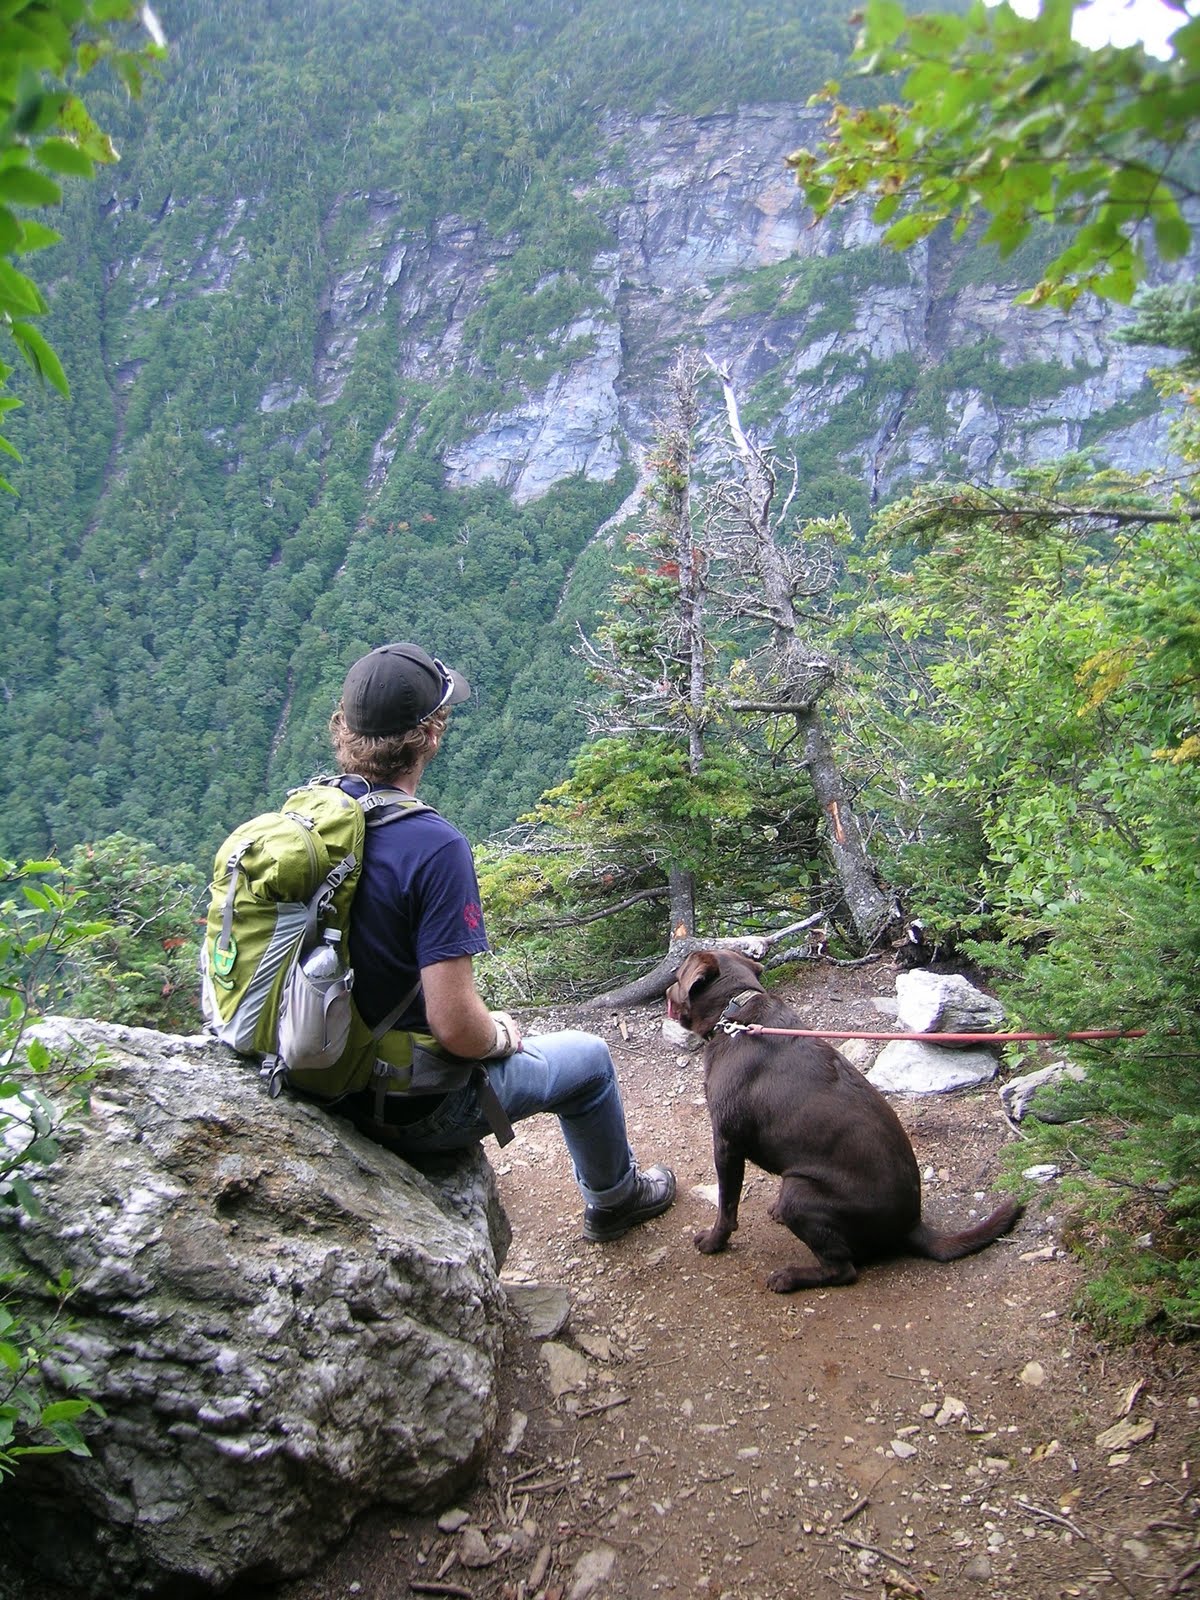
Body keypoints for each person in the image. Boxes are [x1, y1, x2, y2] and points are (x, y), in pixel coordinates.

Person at [328, 641, 676, 1243]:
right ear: (430, 735)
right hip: (404, 1107)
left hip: (322, 1078)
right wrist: (500, 1034)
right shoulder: (433, 846)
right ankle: (615, 1200)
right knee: (590, 1061)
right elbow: (456, 1028)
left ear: (346, 730)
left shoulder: (314, 817)